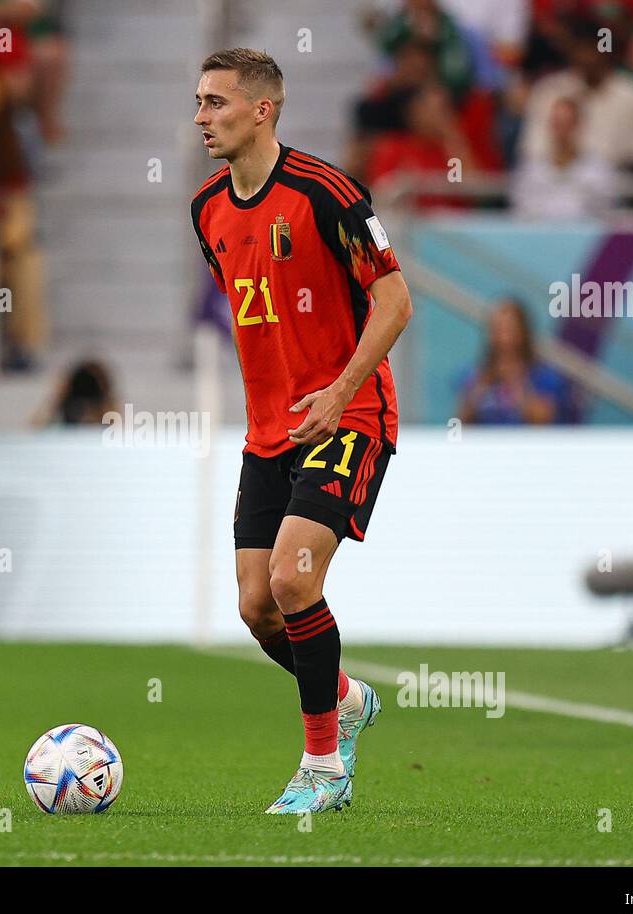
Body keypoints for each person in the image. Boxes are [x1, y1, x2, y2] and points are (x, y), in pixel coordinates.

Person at [191, 48, 413, 814]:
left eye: (216, 102)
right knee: (257, 606)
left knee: (293, 579)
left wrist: (340, 388)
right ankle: (345, 697)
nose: (200, 117)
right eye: (198, 101)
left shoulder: (326, 194)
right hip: (267, 436)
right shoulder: (206, 210)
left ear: (264, 109)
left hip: (348, 415)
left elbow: (394, 301)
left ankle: (324, 765)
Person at [457, 300, 573, 425]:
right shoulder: (475, 374)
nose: (503, 337)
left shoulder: (544, 376)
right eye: (496, 329)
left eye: (508, 329)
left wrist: (515, 382)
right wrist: (480, 388)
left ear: (523, 331)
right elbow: (460, 422)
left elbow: (543, 419)